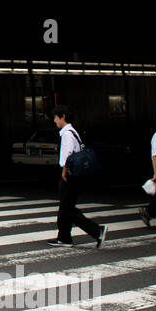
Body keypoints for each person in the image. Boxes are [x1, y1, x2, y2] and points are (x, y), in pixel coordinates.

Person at [48, 105, 107, 248]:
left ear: (62, 116)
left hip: (69, 174)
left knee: (68, 208)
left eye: (56, 117)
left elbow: (68, 156)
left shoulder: (67, 134)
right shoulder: (73, 131)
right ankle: (64, 237)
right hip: (75, 174)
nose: (54, 120)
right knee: (65, 207)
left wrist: (64, 173)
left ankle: (97, 231)